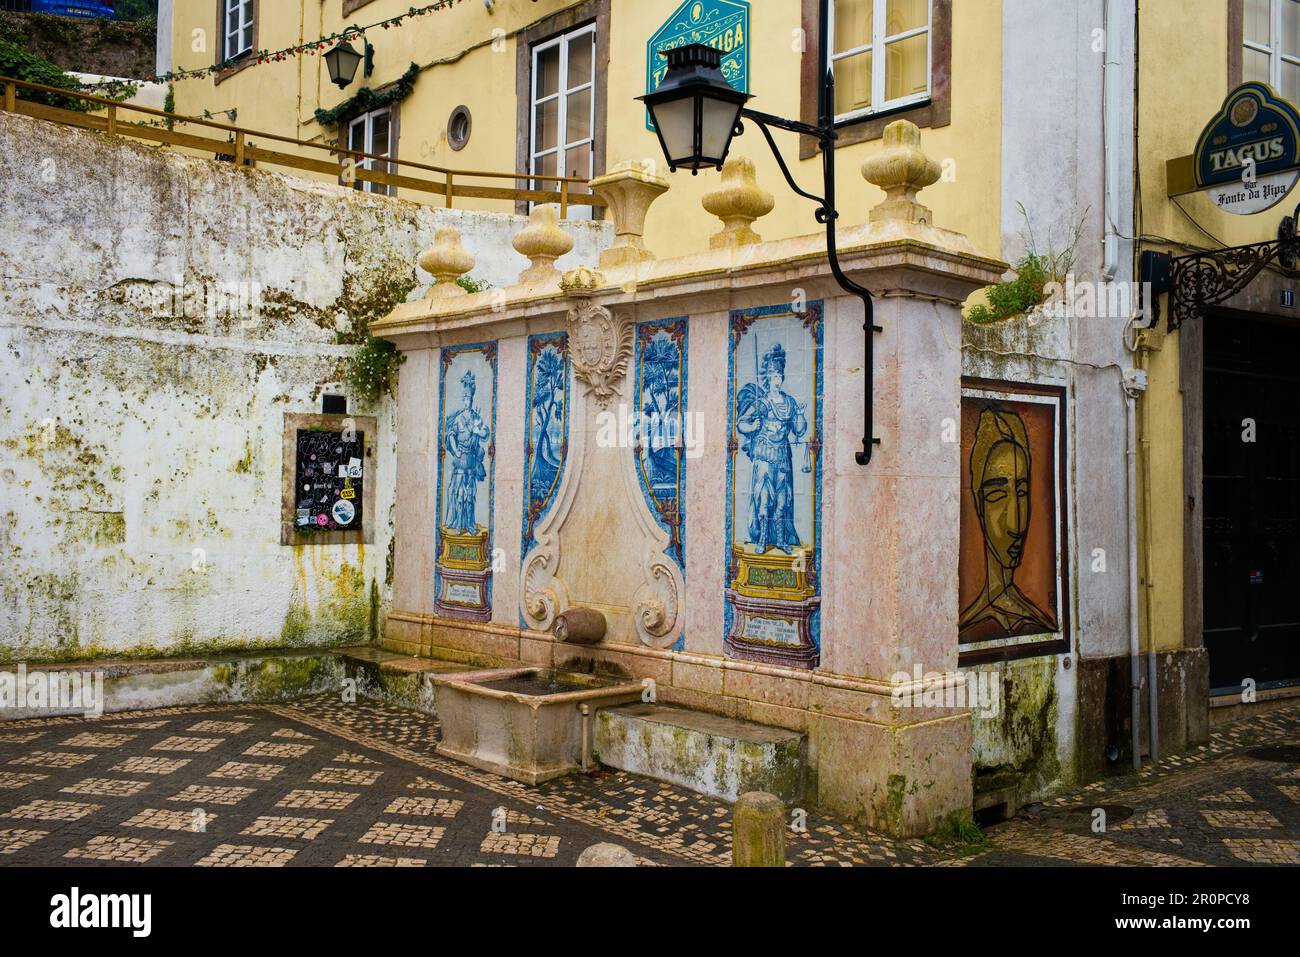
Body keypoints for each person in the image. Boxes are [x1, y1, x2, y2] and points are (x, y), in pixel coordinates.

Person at [959, 406, 1058, 642]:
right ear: (978, 505)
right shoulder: (969, 623)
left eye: (1022, 492)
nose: (1016, 524)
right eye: (997, 496)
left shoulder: (1038, 620)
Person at [736, 343, 806, 554]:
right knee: (764, 498)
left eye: (779, 375)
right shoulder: (763, 402)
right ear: (767, 378)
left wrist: (800, 415)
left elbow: (800, 430)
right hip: (765, 454)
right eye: (773, 376)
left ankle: (782, 540)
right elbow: (741, 423)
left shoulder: (790, 402)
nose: (777, 379)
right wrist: (753, 427)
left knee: (783, 499)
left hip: (783, 455)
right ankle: (763, 539)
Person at [444, 369, 490, 534]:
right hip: (460, 457)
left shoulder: (476, 417)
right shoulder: (458, 418)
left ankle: (469, 524)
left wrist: (479, 432)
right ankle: (458, 524)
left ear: (472, 399)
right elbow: (450, 435)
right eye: (465, 398)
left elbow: (485, 434)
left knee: (470, 494)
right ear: (462, 400)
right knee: (458, 492)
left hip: (471, 459)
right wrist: (455, 449)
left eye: (469, 398)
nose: (467, 401)